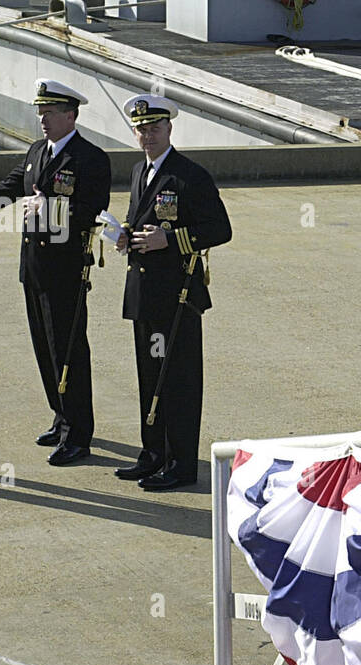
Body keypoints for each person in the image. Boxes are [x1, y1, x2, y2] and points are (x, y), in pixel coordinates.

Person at [0, 79, 111, 466]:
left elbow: (94, 212)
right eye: (40, 112)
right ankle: (61, 416)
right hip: (34, 270)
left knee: (68, 351)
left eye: (49, 113)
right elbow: (11, 188)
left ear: (70, 115)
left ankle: (79, 434)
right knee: (44, 348)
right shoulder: (36, 152)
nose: (42, 119)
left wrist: (52, 212)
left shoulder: (90, 158)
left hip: (65, 272)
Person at [115, 95, 231, 491]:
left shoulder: (189, 176)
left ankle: (181, 464)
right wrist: (126, 235)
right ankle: (153, 453)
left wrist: (172, 240)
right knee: (150, 375)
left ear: (169, 129)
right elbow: (140, 218)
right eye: (141, 129)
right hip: (144, 292)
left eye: (154, 128)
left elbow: (219, 229)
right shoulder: (138, 171)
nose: (147, 135)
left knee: (177, 380)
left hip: (177, 296)